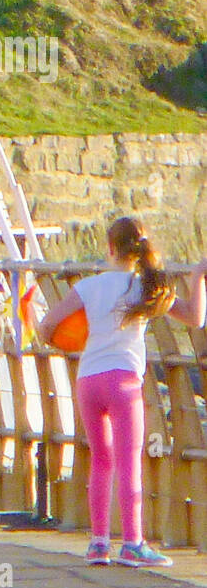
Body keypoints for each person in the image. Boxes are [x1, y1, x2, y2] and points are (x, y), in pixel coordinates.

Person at [39, 217, 206, 568]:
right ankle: (132, 542)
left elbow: (47, 326)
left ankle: (99, 543)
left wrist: (71, 338)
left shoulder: (88, 286)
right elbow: (194, 318)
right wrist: (198, 277)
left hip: (88, 380)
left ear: (110, 248)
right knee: (130, 460)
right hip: (124, 382)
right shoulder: (146, 286)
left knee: (101, 460)